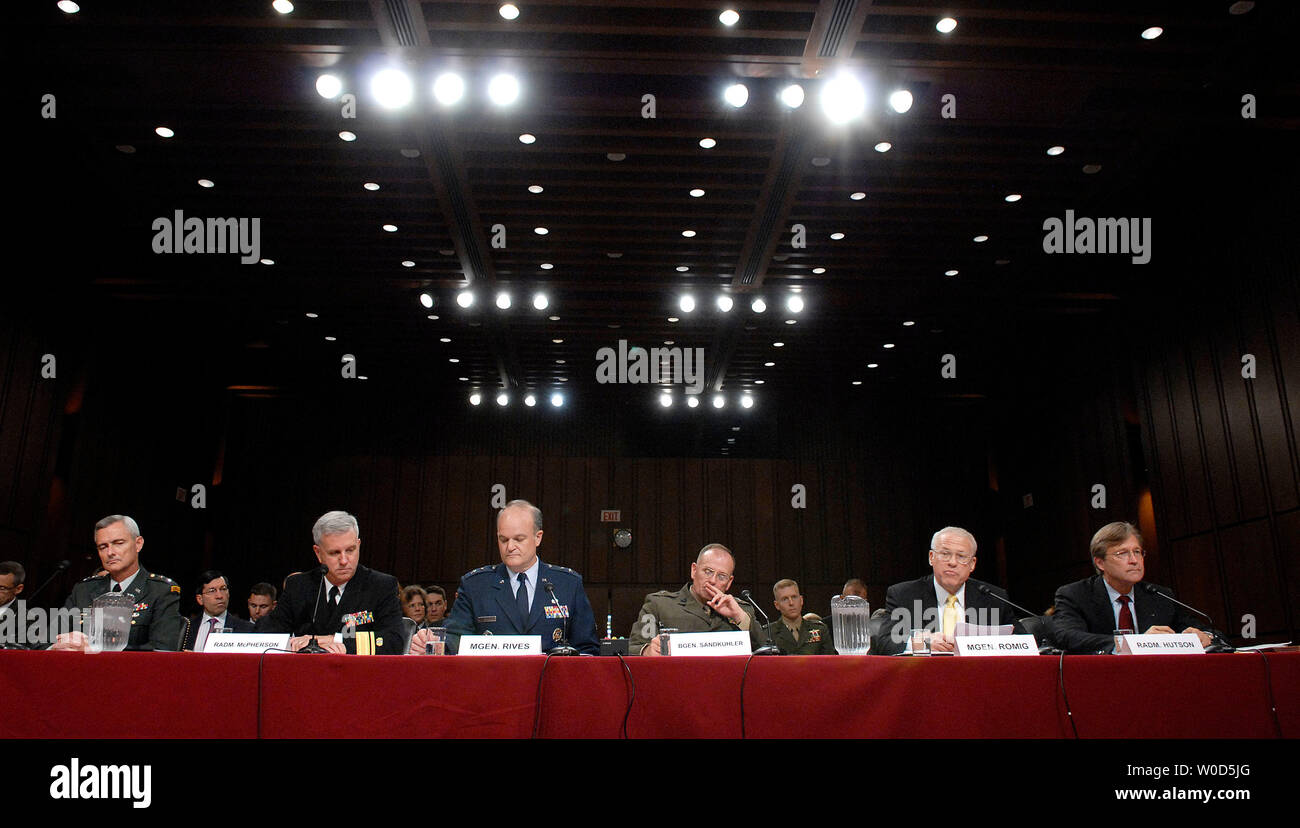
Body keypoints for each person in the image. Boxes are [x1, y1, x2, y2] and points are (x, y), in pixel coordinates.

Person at [414, 500, 598, 655]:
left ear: (538, 537)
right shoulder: (476, 586)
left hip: (551, 687)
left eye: (518, 539)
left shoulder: (567, 584)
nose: (510, 547)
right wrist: (431, 642)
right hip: (492, 687)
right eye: (504, 540)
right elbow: (455, 640)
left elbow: (588, 649)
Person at [1050, 521, 1216, 654]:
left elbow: (1209, 632)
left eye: (1137, 552)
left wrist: (1203, 636)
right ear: (1100, 562)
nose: (1134, 560)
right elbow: (1066, 636)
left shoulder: (1158, 595)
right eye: (1122, 553)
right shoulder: (1076, 594)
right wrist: (1135, 643)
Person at [256, 510, 404, 654]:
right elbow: (266, 634)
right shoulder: (299, 586)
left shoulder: (381, 586)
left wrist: (336, 640)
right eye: (335, 553)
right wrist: (292, 643)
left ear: (358, 545)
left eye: (350, 550)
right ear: (318, 553)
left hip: (357, 674)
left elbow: (393, 641)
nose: (344, 561)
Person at [875, 526, 1020, 655]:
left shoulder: (993, 597)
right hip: (925, 678)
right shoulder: (904, 595)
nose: (952, 562)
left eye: (961, 556)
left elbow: (1021, 642)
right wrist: (923, 643)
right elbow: (884, 643)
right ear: (931, 557)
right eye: (945, 554)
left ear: (972, 564)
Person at [50, 515, 185, 652]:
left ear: (138, 544)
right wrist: (59, 647)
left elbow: (162, 649)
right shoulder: (84, 590)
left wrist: (94, 650)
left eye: (118, 543)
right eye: (103, 547)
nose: (110, 552)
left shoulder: (159, 590)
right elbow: (45, 640)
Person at [628, 543, 767, 655]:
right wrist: (648, 651)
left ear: (729, 582)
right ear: (694, 570)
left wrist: (739, 617)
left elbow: (767, 651)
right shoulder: (659, 605)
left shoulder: (741, 610)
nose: (713, 581)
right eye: (708, 571)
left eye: (721, 576)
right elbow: (633, 648)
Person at [183, 570, 254, 651]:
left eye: (223, 589)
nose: (219, 596)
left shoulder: (246, 629)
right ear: (200, 599)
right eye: (212, 591)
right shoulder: (186, 628)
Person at [766, 579, 836, 655]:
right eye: (785, 599)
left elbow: (830, 663)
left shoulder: (820, 629)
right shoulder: (768, 633)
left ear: (801, 600)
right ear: (777, 605)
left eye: (794, 597)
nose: (791, 603)